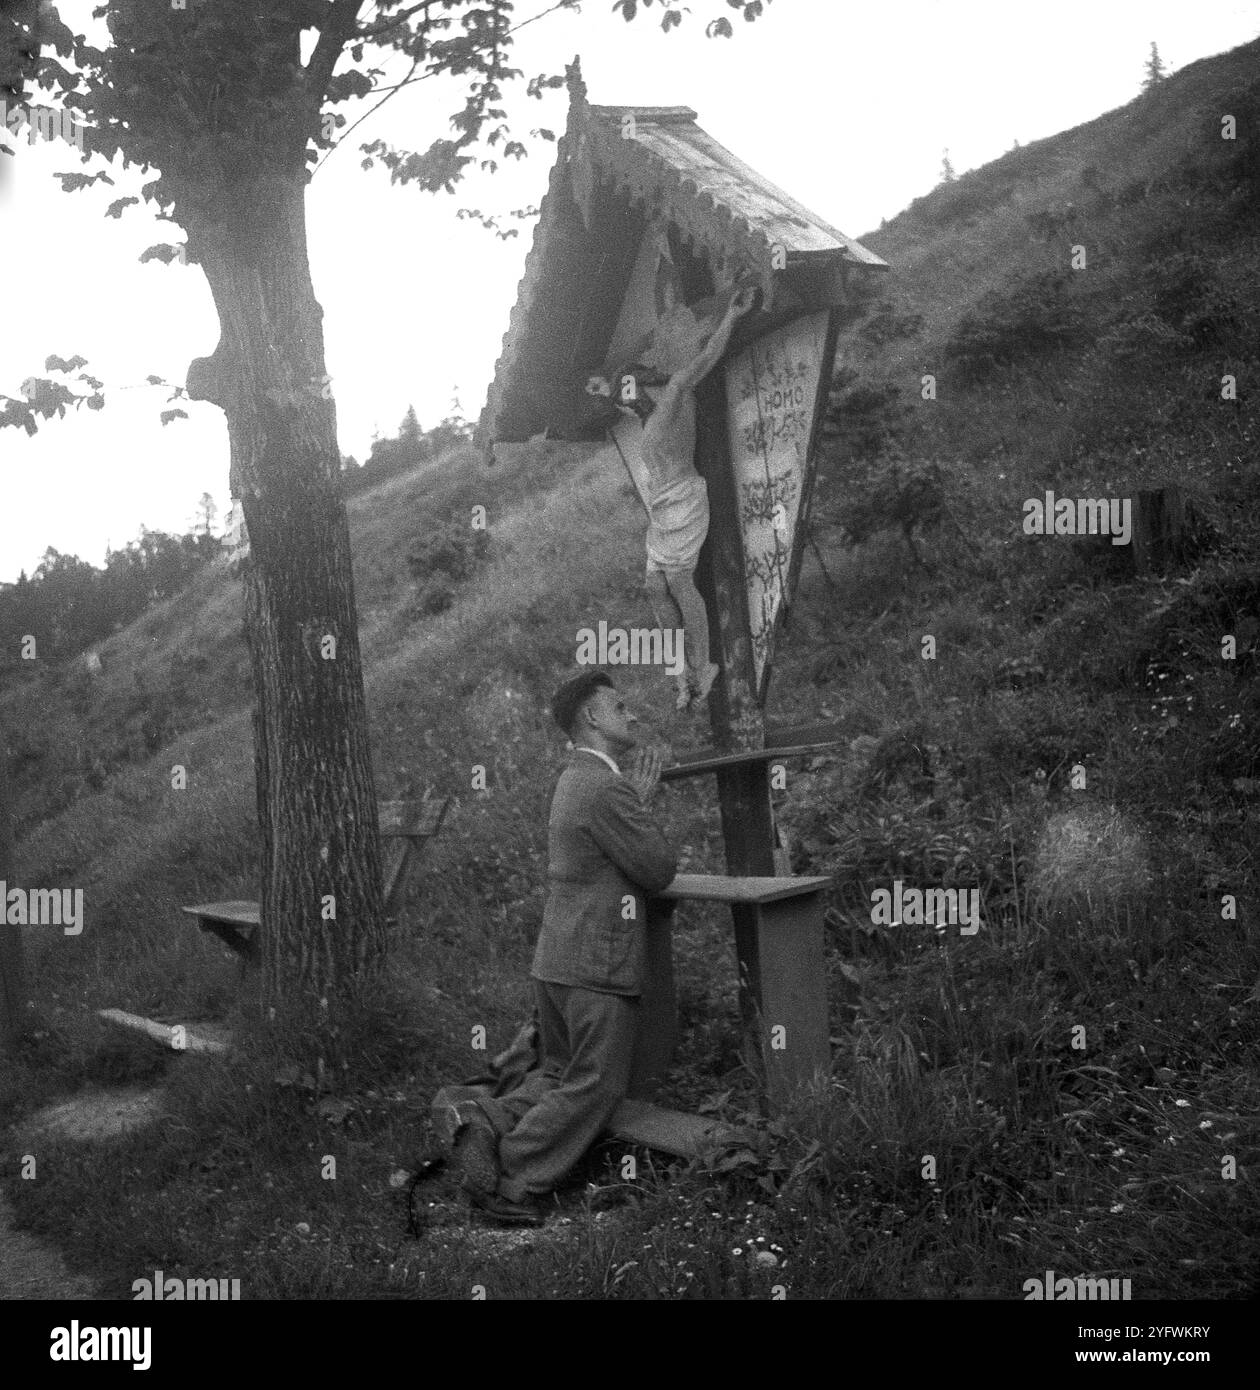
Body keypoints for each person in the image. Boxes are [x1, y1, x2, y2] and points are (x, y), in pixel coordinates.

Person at [447, 669, 678, 1226]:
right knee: (595, 1083)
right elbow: (658, 870)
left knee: (556, 1073)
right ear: (592, 718)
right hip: (596, 966)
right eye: (619, 706)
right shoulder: (607, 786)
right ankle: (514, 1178)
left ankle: (485, 1117)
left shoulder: (573, 778)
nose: (633, 715)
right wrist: (639, 803)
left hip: (557, 960)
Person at [589, 283, 758, 712]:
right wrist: (604, 389)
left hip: (684, 496)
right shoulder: (647, 418)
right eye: (622, 400)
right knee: (653, 586)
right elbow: (617, 401)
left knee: (681, 583)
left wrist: (731, 318)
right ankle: (680, 673)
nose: (625, 405)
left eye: (628, 395)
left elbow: (704, 360)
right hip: (663, 506)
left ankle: (703, 668)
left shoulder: (675, 395)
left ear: (645, 388)